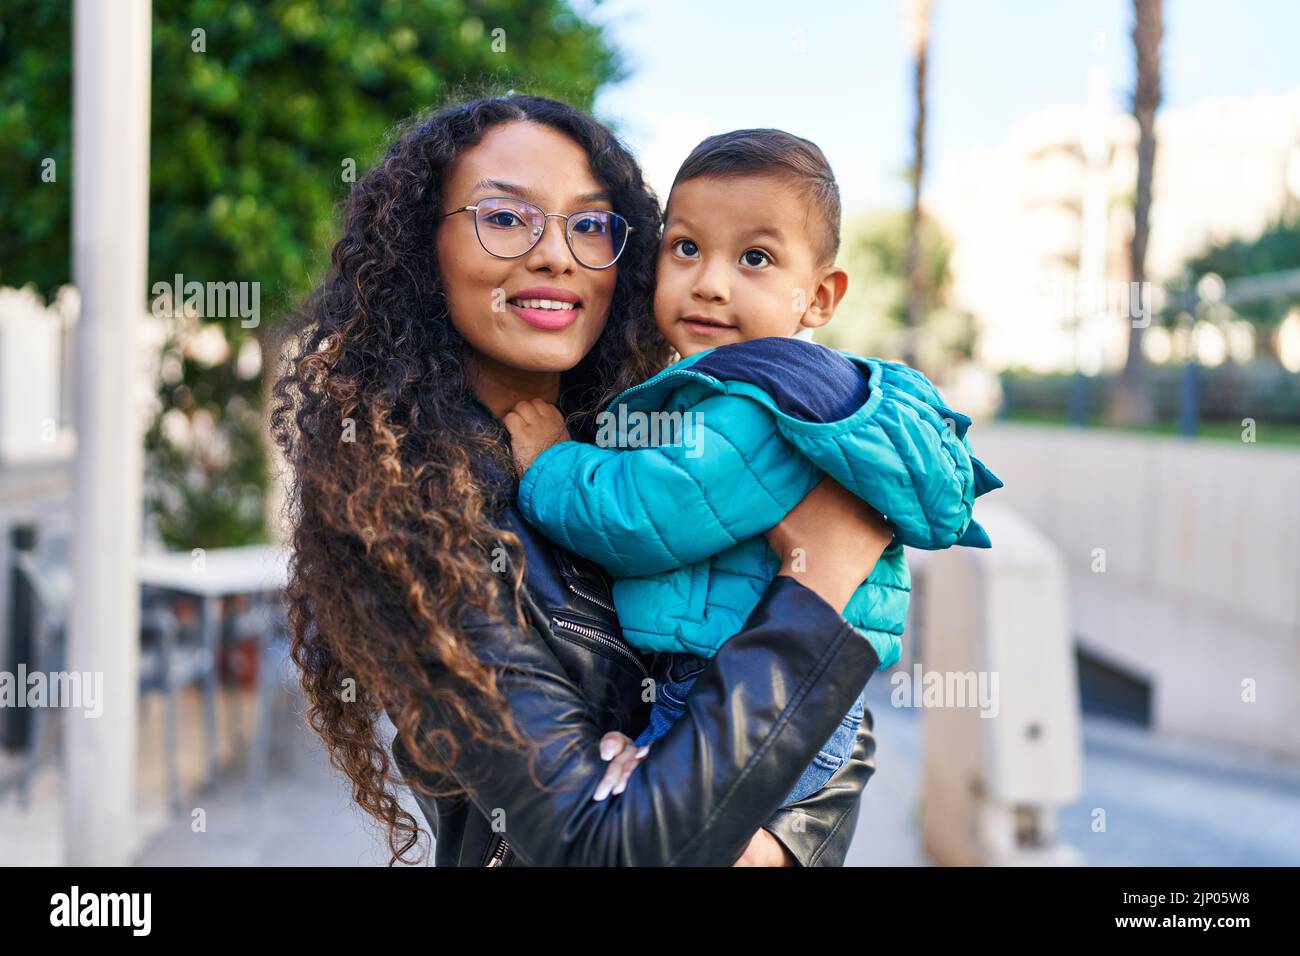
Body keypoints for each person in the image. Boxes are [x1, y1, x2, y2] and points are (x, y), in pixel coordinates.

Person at [271, 93, 895, 866]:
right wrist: (823, 580)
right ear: (421, 253)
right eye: (505, 218)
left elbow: (841, 733)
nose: (556, 255)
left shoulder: (644, 448)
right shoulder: (413, 519)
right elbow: (592, 848)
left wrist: (780, 839)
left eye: (590, 224)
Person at [505, 128, 1002, 809]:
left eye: (756, 258)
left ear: (820, 298)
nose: (709, 284)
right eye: (686, 248)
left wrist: (552, 460)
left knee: (644, 833)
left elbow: (648, 515)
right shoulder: (737, 387)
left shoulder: (763, 403)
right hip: (756, 685)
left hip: (753, 690)